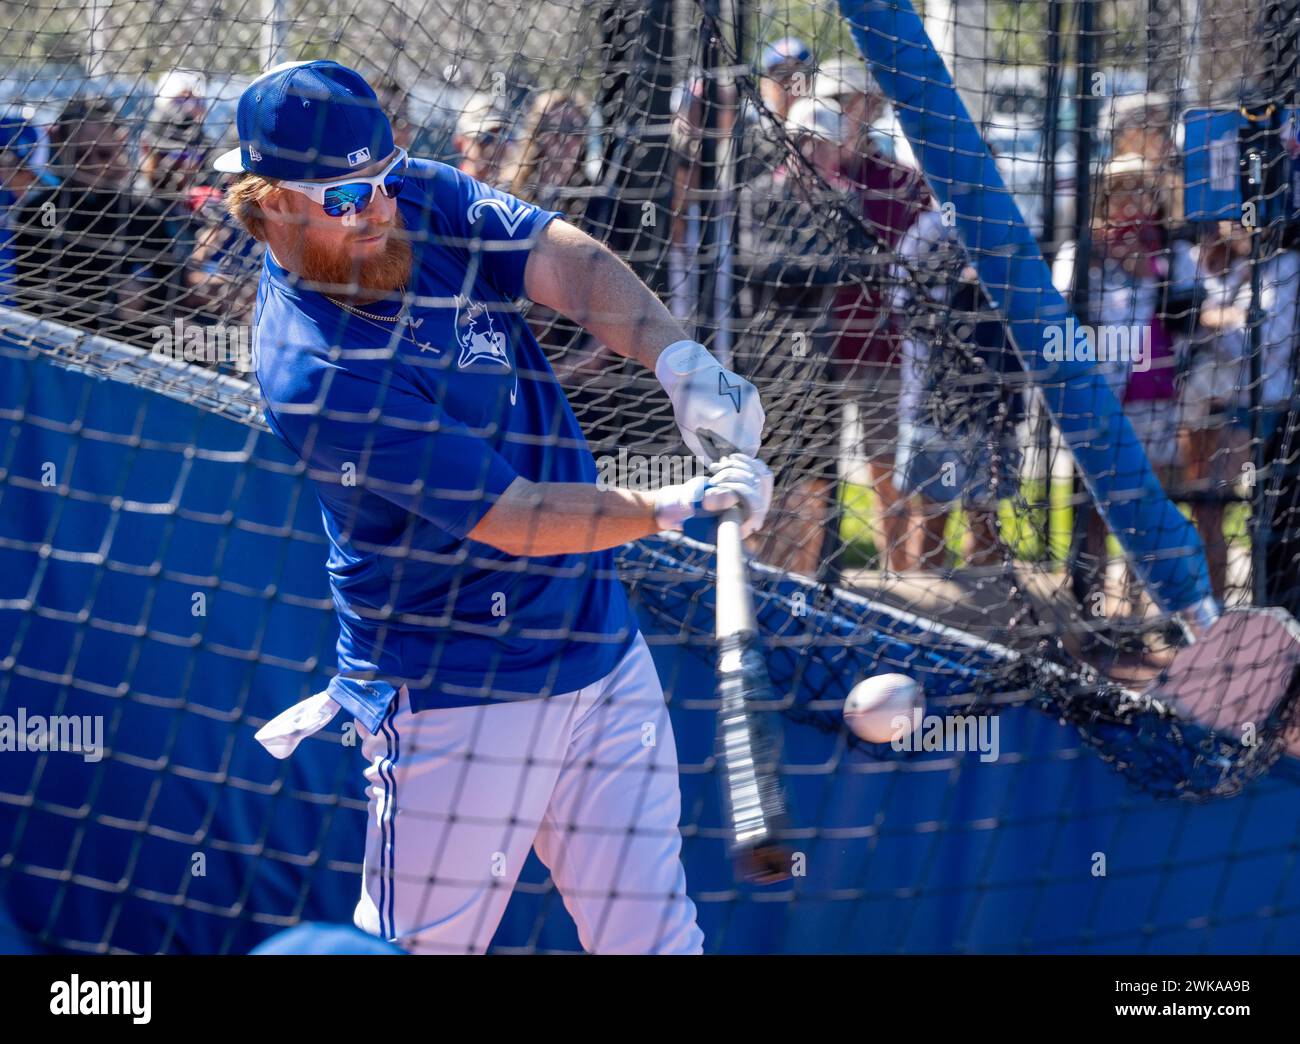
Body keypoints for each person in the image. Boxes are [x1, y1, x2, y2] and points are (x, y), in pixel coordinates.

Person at [216, 60, 772, 954]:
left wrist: (678, 361)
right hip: (457, 689)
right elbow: (511, 515)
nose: (379, 209)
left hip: (595, 643)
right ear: (269, 202)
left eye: (386, 180)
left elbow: (562, 259)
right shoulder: (312, 370)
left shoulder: (416, 199)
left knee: (655, 938)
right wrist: (682, 503)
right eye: (346, 196)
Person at [733, 96, 871, 577]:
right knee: (768, 479)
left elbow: (847, 264)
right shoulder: (757, 195)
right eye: (807, 142)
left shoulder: (844, 202)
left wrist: (795, 267)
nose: (817, 153)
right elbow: (754, 261)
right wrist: (808, 266)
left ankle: (803, 589)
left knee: (813, 484)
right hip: (766, 362)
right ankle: (763, 584)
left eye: (825, 144)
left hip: (818, 362)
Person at [1051, 153, 1182, 620]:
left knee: (1151, 505)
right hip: (1099, 398)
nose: (1133, 201)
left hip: (1156, 393)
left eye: (1141, 190)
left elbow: (1191, 309)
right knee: (1094, 507)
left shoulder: (1167, 249)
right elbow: (1061, 310)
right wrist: (1109, 259)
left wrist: (1150, 267)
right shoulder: (1082, 250)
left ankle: (1142, 610)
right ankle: (1091, 608)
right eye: (1122, 190)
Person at [817, 58, 930, 572]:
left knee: (884, 462)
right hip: (815, 351)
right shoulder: (806, 168)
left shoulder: (902, 181)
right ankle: (815, 568)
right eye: (837, 102)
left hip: (881, 346)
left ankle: (896, 573)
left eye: (854, 101)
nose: (846, 113)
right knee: (813, 468)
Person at [890, 206, 1024, 569]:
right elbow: (906, 308)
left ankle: (987, 617)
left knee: (986, 517)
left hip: (994, 397)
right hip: (939, 397)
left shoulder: (1006, 227)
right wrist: (959, 287)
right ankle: (924, 613)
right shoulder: (928, 232)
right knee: (933, 515)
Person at [453, 93, 513, 186]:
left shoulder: (510, 195)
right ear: (460, 141)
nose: (492, 148)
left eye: (499, 137)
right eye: (486, 138)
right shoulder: (447, 190)